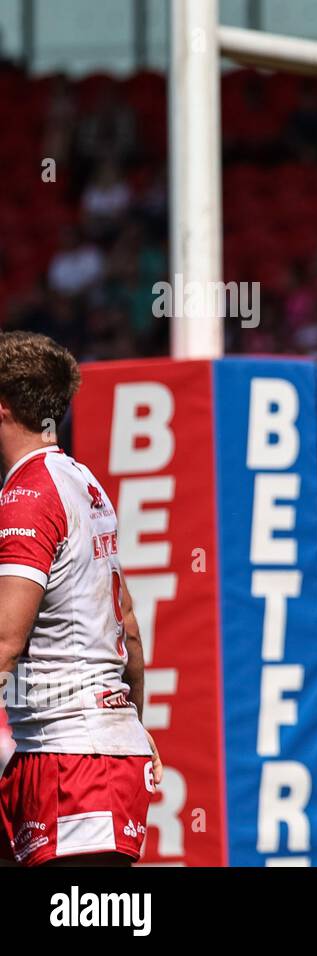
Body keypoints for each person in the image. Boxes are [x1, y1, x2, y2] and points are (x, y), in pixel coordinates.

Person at [0, 332, 162, 866]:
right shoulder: (84, 482)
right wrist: (133, 724)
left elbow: (5, 640)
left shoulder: (27, 496)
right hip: (82, 750)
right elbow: (129, 626)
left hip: (73, 758)